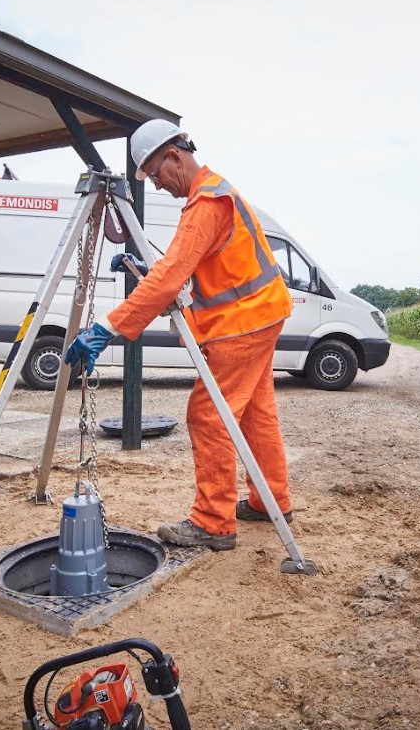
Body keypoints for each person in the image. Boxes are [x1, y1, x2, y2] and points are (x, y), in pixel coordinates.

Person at [64, 120, 294, 551]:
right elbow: (187, 267)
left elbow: (171, 278)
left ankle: (213, 521)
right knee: (255, 413)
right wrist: (144, 270)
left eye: (155, 174)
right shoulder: (214, 192)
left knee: (209, 416)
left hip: (242, 324)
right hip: (263, 314)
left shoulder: (206, 203)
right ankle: (270, 499)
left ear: (174, 155)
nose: (156, 185)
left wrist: (106, 328)